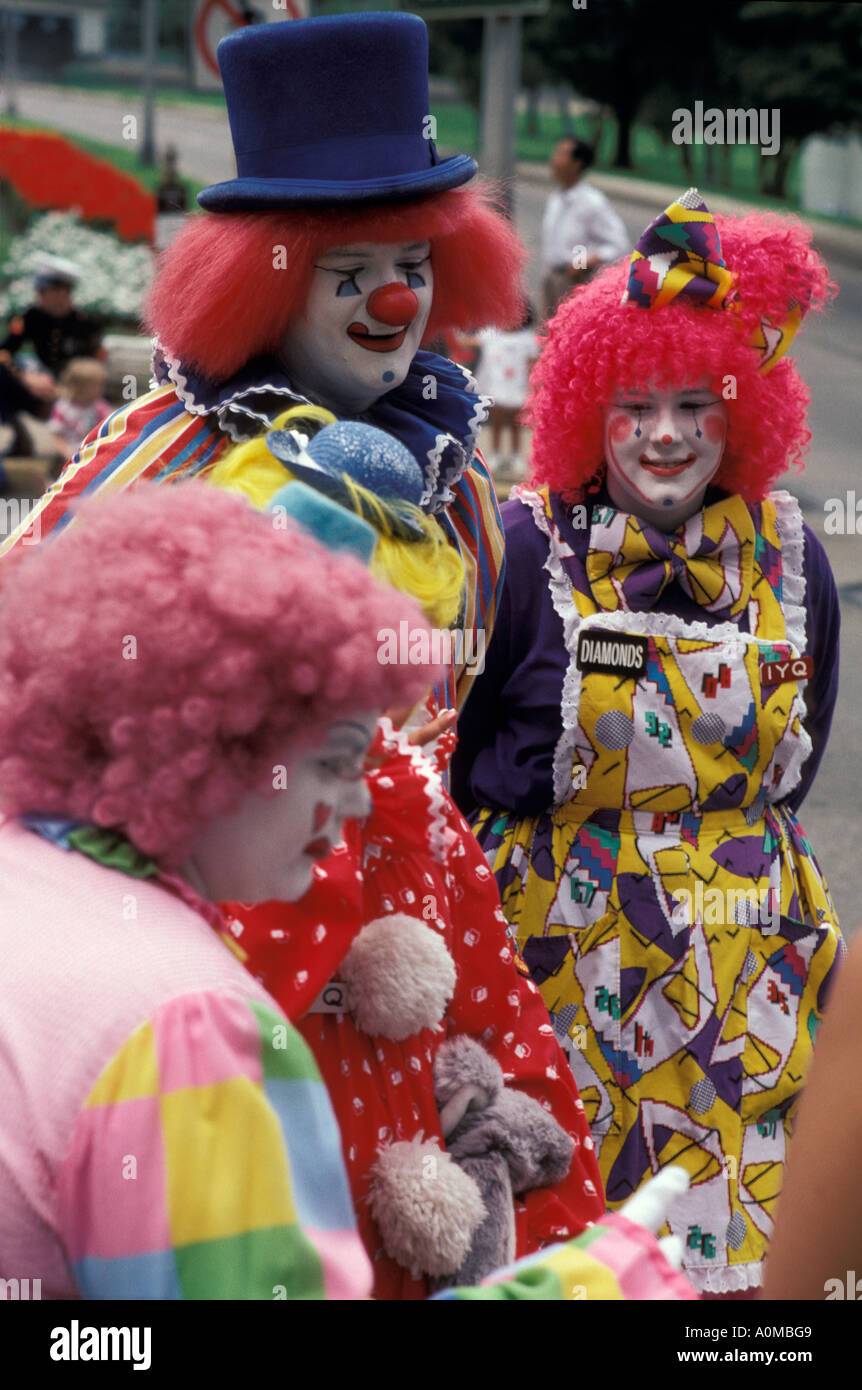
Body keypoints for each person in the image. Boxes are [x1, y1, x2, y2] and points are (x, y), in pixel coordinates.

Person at [453, 189, 842, 1295]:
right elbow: (452, 751)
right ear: (587, 412)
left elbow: (795, 766)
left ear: (741, 415)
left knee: (740, 1264)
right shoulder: (521, 552)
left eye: (694, 404)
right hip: (556, 967)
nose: (664, 432)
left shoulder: (795, 558)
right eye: (632, 406)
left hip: (744, 975)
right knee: (564, 1245)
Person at [0, 13, 525, 721]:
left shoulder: (455, 473)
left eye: (412, 264)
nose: (398, 300)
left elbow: (467, 685)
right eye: (349, 269)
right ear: (264, 284)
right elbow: (23, 637)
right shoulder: (168, 449)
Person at [0, 482, 434, 1300]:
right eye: (338, 759)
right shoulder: (184, 1019)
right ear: (210, 743)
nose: (362, 798)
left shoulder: (21, 868)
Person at [205, 415, 607, 1297]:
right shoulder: (195, 810)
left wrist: (561, 1243)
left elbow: (504, 1017)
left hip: (413, 1235)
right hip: (260, 1229)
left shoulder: (416, 803)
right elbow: (240, 997)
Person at [541, 138, 629, 321]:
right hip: (553, 278)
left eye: (561, 155)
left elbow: (618, 245)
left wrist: (582, 262)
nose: (554, 161)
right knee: (546, 337)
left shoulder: (591, 202)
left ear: (577, 164)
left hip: (574, 282)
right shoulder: (557, 198)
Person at [0, 254, 102, 379]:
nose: (37, 295)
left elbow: (97, 363)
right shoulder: (31, 316)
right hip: (38, 383)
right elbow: (4, 352)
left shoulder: (87, 323)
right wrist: (24, 376)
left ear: (62, 292)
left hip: (75, 387)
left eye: (42, 290)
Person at [472, 303, 539, 479]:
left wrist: (533, 386)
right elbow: (468, 342)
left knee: (516, 424)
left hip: (517, 389)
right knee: (497, 423)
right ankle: (495, 455)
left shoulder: (527, 339)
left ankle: (516, 456)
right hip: (496, 387)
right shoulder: (491, 334)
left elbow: (533, 364)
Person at [48, 357, 111, 471]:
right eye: (97, 384)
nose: (102, 388)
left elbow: (109, 429)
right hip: (67, 452)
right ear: (81, 386)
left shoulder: (100, 406)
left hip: (92, 450)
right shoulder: (62, 407)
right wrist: (67, 453)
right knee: (56, 466)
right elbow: (57, 436)